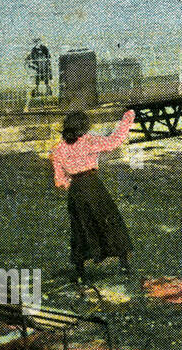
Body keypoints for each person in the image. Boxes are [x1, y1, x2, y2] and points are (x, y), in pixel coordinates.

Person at [51, 108, 136, 282]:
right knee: (110, 221)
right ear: (83, 127)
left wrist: (72, 182)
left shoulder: (58, 149)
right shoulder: (89, 141)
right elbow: (114, 141)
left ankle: (80, 270)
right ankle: (124, 263)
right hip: (93, 186)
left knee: (80, 228)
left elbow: (59, 181)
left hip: (76, 190)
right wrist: (127, 119)